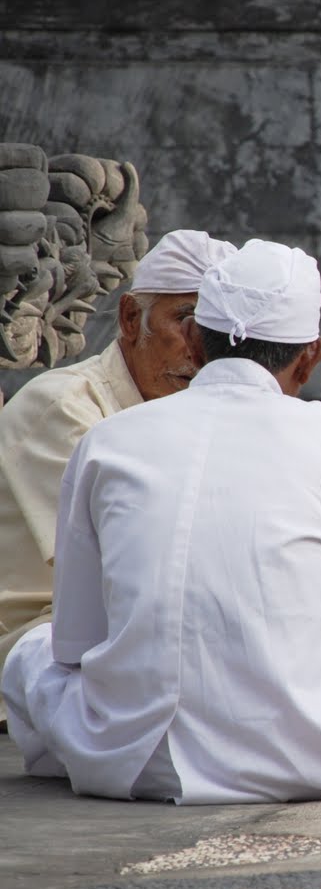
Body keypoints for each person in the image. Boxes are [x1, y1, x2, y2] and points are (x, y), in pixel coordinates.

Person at [1, 240, 321, 803]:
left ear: (196, 342)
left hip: (137, 763)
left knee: (33, 653)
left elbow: (77, 642)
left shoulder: (108, 442)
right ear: (310, 357)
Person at [0, 229, 234, 722]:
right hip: (39, 643)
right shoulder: (65, 407)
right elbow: (133, 574)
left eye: (215, 331)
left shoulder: (199, 411)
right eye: (186, 320)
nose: (200, 349)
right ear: (131, 318)